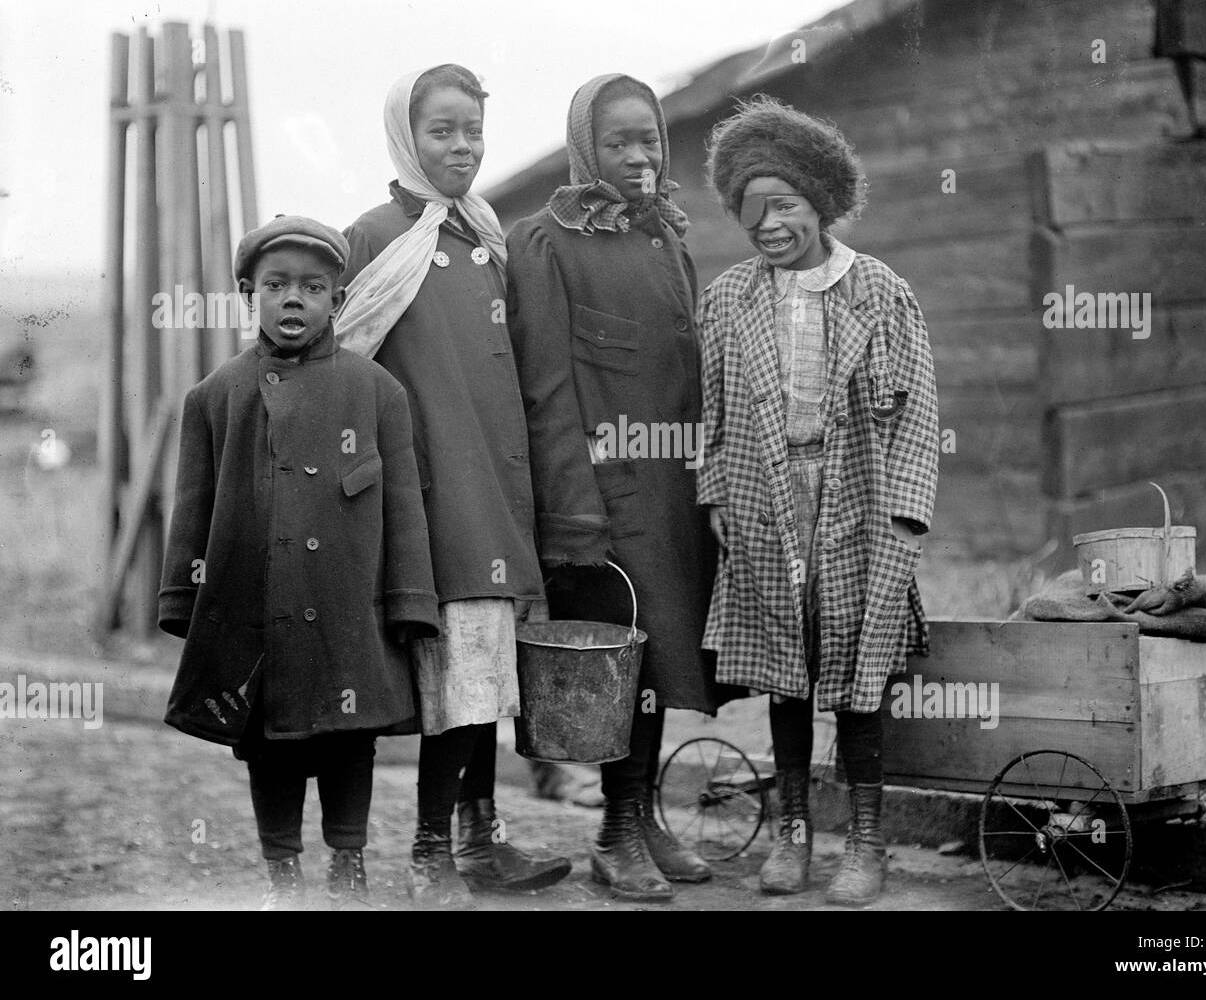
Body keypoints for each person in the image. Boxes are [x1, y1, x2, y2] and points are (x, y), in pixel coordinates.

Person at [337, 64, 570, 910]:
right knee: (456, 675)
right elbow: (340, 369)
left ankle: (478, 836)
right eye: (442, 131)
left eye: (473, 129)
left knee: (483, 676)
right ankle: (431, 850)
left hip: (497, 488)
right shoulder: (371, 239)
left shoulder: (485, 240)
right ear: (406, 135)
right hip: (430, 495)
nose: (462, 146)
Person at [159, 215, 441, 911]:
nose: (294, 300)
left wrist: (409, 602)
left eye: (313, 287)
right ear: (248, 294)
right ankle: (280, 872)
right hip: (259, 612)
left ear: (337, 301)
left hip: (351, 607)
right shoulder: (216, 396)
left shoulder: (377, 393)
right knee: (270, 744)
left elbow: (403, 508)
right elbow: (193, 507)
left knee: (351, 740)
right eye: (276, 285)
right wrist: (180, 600)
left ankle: (349, 863)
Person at [697, 96, 940, 906]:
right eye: (752, 210)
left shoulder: (880, 292)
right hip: (765, 497)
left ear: (821, 204)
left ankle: (866, 842)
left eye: (786, 206)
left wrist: (902, 517)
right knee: (786, 672)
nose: (769, 224)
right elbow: (715, 412)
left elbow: (916, 418)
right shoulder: (730, 298)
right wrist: (715, 497)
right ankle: (794, 837)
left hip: (858, 500)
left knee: (858, 673)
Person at [506, 73, 725, 903]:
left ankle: (644, 817)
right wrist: (572, 513)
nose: (638, 157)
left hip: (674, 491)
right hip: (603, 499)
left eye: (649, 140)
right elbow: (547, 390)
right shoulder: (545, 242)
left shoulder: (666, 236)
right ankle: (614, 829)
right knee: (619, 666)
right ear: (583, 149)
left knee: (663, 653)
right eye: (618, 142)